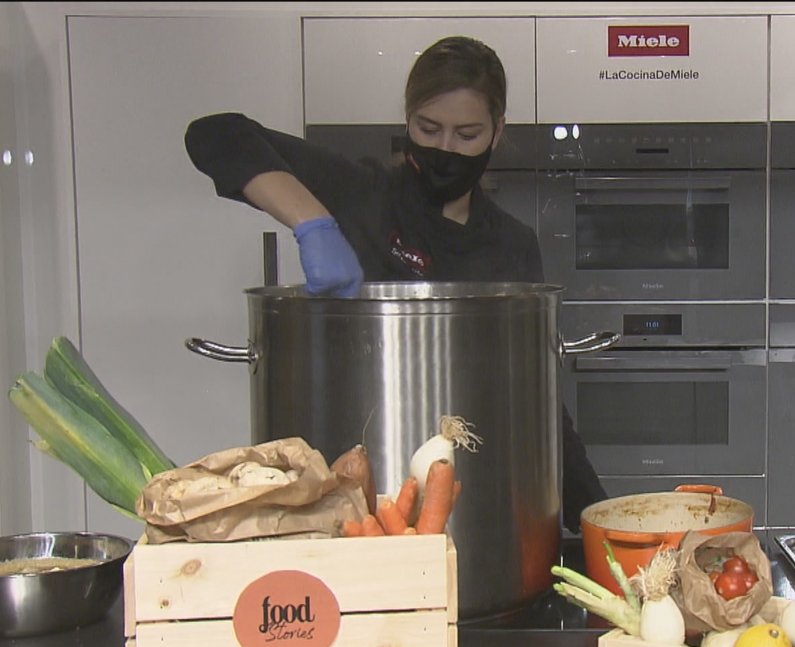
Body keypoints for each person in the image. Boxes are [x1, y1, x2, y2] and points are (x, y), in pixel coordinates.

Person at [185, 35, 607, 532]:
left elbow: (540, 404)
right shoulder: (361, 193)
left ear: (497, 132)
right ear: (407, 122)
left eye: (466, 134)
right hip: (350, 488)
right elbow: (215, 136)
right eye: (428, 129)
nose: (444, 150)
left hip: (476, 506)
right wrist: (313, 223)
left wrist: (597, 517)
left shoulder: (512, 245)